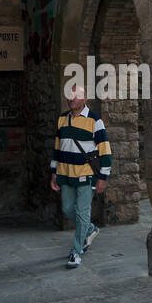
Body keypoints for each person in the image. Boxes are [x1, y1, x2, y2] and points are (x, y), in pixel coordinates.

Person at [50, 84, 112, 268]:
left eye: (76, 95)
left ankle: (76, 252)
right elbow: (57, 148)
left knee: (82, 213)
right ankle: (91, 230)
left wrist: (103, 177)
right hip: (65, 173)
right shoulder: (62, 119)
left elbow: (105, 150)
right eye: (70, 95)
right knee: (68, 209)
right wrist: (54, 173)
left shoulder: (94, 120)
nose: (72, 98)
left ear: (85, 99)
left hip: (86, 175)